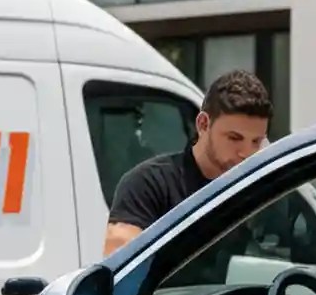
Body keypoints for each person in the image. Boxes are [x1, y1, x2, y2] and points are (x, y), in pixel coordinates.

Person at [102, 69, 274, 258]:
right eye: (234, 138)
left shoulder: (256, 191)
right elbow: (118, 267)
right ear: (203, 124)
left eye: (256, 141)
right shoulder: (150, 184)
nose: (246, 153)